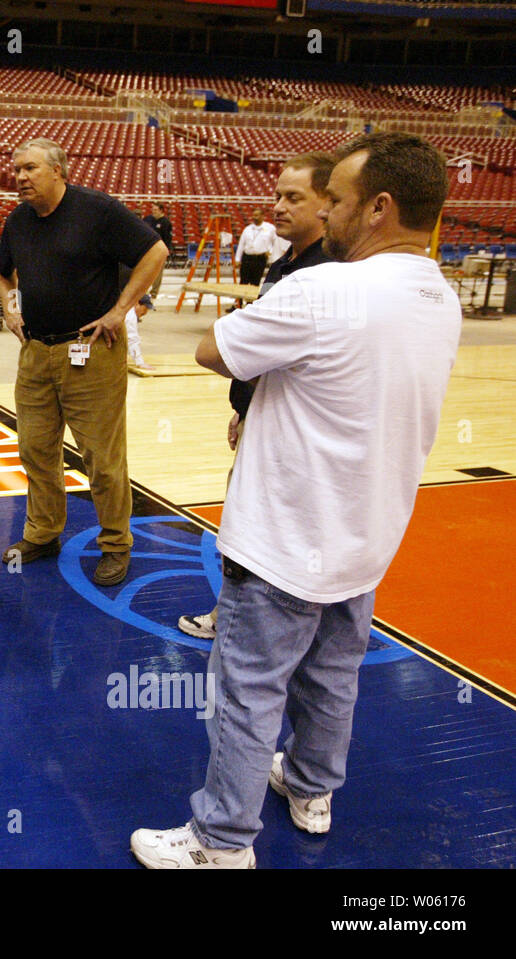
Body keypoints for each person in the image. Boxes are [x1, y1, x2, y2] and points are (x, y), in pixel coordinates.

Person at [132, 132, 461, 868]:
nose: (329, 215)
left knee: (249, 690)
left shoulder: (323, 288)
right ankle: (312, 789)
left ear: (378, 207)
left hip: (284, 535)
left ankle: (220, 841)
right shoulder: (442, 298)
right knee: (333, 674)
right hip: (365, 536)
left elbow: (213, 348)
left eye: (337, 201)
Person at [177, 151, 336, 641]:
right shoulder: (284, 262)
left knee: (263, 530)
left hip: (296, 436)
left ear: (328, 203)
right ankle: (238, 615)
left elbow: (233, 348)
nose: (279, 207)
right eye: (277, 196)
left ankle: (245, 623)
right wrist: (242, 408)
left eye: (294, 197)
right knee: (245, 518)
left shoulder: (326, 272)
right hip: (262, 418)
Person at [0, 138, 167, 586]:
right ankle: (43, 533)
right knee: (35, 450)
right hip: (35, 353)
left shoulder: (98, 211)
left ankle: (116, 544)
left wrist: (119, 310)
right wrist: (11, 307)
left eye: (30, 168)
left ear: (59, 171)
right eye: (16, 170)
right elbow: (2, 268)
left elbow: (156, 253)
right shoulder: (19, 220)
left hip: (90, 353)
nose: (20, 177)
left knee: (102, 459)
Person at [233, 208, 275, 287]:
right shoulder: (247, 229)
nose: (254, 217)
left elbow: (275, 242)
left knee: (255, 282)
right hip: (247, 258)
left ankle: (251, 299)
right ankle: (241, 299)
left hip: (260, 259)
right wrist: (237, 259)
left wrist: (271, 251)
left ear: (263, 216)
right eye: (253, 215)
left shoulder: (270, 228)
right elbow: (241, 244)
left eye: (257, 215)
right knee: (243, 281)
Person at [142, 202, 174, 299]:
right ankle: (142, 291)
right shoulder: (147, 219)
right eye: (153, 209)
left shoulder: (166, 222)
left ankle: (154, 292)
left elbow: (168, 238)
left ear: (161, 210)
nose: (153, 211)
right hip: (147, 249)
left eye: (155, 210)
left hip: (160, 250)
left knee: (158, 272)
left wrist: (166, 250)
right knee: (145, 271)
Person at [125, 294, 153, 373]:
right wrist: (140, 362)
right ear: (137, 304)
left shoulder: (127, 310)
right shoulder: (130, 316)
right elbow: (132, 339)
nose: (145, 312)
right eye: (145, 308)